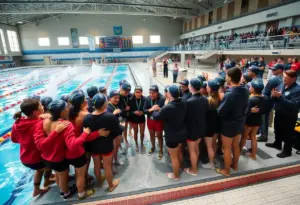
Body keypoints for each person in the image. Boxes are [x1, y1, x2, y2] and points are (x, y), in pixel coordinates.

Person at [34, 100, 94, 200]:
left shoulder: (43, 122)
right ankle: (81, 194)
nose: (68, 109)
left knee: (59, 176)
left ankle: (63, 192)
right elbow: (72, 145)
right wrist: (85, 133)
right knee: (80, 175)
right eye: (66, 107)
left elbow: (40, 143)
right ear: (62, 111)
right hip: (61, 156)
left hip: (47, 157)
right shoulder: (65, 124)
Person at [11, 98, 59, 197]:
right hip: (37, 159)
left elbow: (14, 140)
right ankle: (42, 184)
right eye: (41, 106)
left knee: (40, 169)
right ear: (35, 112)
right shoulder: (38, 124)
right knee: (50, 162)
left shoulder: (17, 123)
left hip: (25, 158)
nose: (43, 107)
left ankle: (41, 185)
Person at [83, 94, 121, 191]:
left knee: (96, 165)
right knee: (107, 166)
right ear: (105, 105)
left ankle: (99, 182)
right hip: (106, 145)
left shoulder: (87, 118)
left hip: (93, 146)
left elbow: (86, 134)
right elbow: (117, 131)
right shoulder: (110, 117)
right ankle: (111, 186)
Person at [216, 67, 249, 177]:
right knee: (235, 145)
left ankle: (226, 170)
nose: (225, 77)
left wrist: (222, 98)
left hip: (229, 125)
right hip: (239, 123)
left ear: (229, 78)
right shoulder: (245, 90)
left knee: (226, 148)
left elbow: (220, 112)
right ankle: (235, 165)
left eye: (226, 75)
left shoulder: (229, 94)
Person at [152, 85, 186, 180]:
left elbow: (156, 117)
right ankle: (180, 168)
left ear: (170, 94)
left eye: (167, 92)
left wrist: (155, 109)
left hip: (172, 135)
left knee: (173, 157)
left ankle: (176, 176)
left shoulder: (168, 107)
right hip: (182, 132)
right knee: (179, 152)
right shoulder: (183, 101)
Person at [266, 70, 300, 158]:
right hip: (279, 111)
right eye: (283, 77)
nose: (284, 79)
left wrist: (280, 97)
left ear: (293, 79)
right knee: (277, 129)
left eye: (286, 78)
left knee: (288, 133)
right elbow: (274, 96)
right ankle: (277, 143)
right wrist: (273, 95)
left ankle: (287, 150)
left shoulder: (297, 90)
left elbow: (293, 104)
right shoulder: (281, 85)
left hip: (289, 115)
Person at [185, 78, 208, 175]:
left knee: (192, 151)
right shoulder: (205, 99)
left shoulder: (190, 101)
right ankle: (195, 164)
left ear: (191, 87)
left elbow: (186, 117)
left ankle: (194, 170)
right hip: (201, 129)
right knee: (196, 148)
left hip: (192, 130)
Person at [239, 79, 266, 160]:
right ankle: (253, 154)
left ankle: (239, 151)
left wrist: (250, 110)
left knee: (244, 136)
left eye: (250, 87)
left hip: (249, 120)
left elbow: (246, 112)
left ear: (253, 89)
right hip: (258, 120)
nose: (249, 88)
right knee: (253, 136)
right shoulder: (264, 98)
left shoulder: (251, 99)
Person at [257, 64, 284, 142]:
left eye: (275, 69)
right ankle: (263, 133)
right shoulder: (281, 79)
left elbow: (266, 91)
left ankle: (264, 136)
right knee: (266, 117)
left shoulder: (275, 79)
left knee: (264, 118)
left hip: (267, 99)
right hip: (272, 100)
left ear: (280, 70)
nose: (272, 70)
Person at [143, 85, 165, 160]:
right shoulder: (148, 98)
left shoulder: (162, 99)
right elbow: (144, 110)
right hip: (150, 120)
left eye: (153, 93)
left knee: (159, 135)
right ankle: (153, 147)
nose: (151, 95)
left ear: (157, 93)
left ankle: (161, 150)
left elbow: (165, 111)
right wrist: (151, 109)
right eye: (150, 93)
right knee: (151, 134)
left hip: (158, 120)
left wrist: (159, 109)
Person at [204, 80, 221, 169]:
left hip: (209, 126)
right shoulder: (219, 98)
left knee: (209, 146)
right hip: (217, 125)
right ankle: (213, 160)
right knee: (214, 144)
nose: (206, 87)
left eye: (207, 86)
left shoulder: (208, 101)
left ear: (210, 88)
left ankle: (211, 164)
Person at [107, 90, 124, 168]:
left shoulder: (116, 105)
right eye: (115, 98)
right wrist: (113, 114)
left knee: (116, 147)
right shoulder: (108, 107)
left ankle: (116, 159)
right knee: (113, 148)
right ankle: (112, 163)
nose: (117, 99)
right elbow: (106, 119)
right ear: (110, 98)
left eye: (118, 98)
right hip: (112, 132)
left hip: (118, 130)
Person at [129, 86, 146, 152]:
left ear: (141, 92)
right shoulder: (131, 100)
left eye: (139, 92)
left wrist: (143, 112)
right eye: (136, 92)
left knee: (142, 133)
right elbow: (128, 111)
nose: (138, 94)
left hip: (141, 117)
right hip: (134, 118)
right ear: (134, 92)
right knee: (135, 132)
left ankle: (141, 143)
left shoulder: (144, 99)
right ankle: (136, 144)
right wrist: (133, 112)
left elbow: (147, 109)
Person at [118, 82, 132, 147]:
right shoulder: (117, 96)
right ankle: (120, 142)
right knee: (120, 128)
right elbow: (114, 108)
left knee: (125, 127)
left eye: (128, 92)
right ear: (121, 89)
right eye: (126, 92)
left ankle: (126, 139)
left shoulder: (129, 95)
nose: (127, 93)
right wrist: (124, 110)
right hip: (120, 116)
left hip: (126, 115)